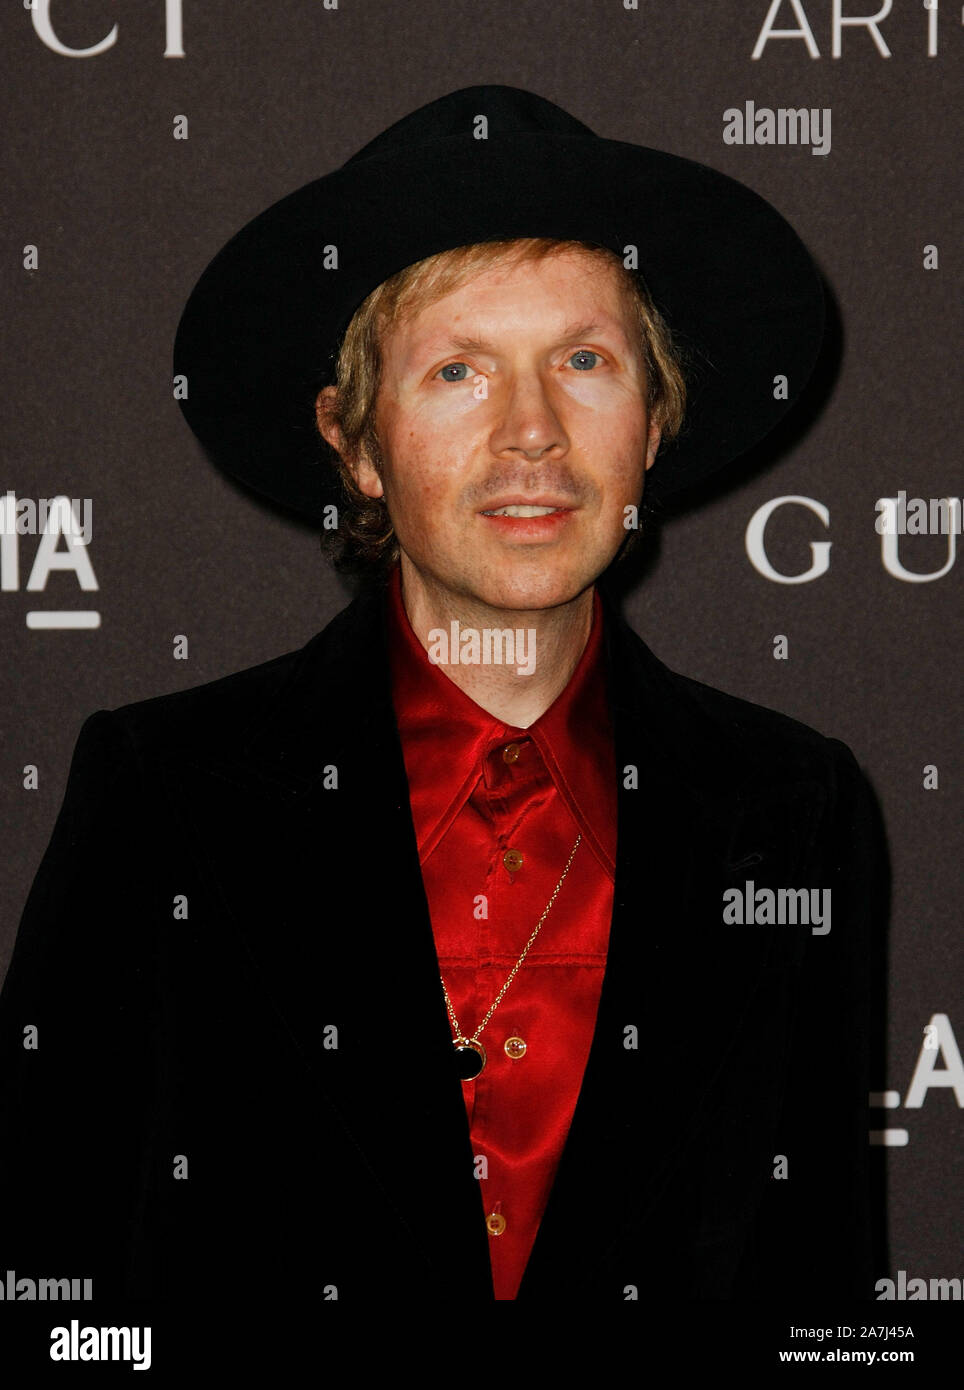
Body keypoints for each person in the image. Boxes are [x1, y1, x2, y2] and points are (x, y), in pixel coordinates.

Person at [0, 85, 884, 1303]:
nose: (532, 432)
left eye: (583, 360)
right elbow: (47, 1291)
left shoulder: (793, 807)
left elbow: (820, 1297)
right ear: (355, 445)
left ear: (655, 419)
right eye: (460, 370)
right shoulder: (168, 799)